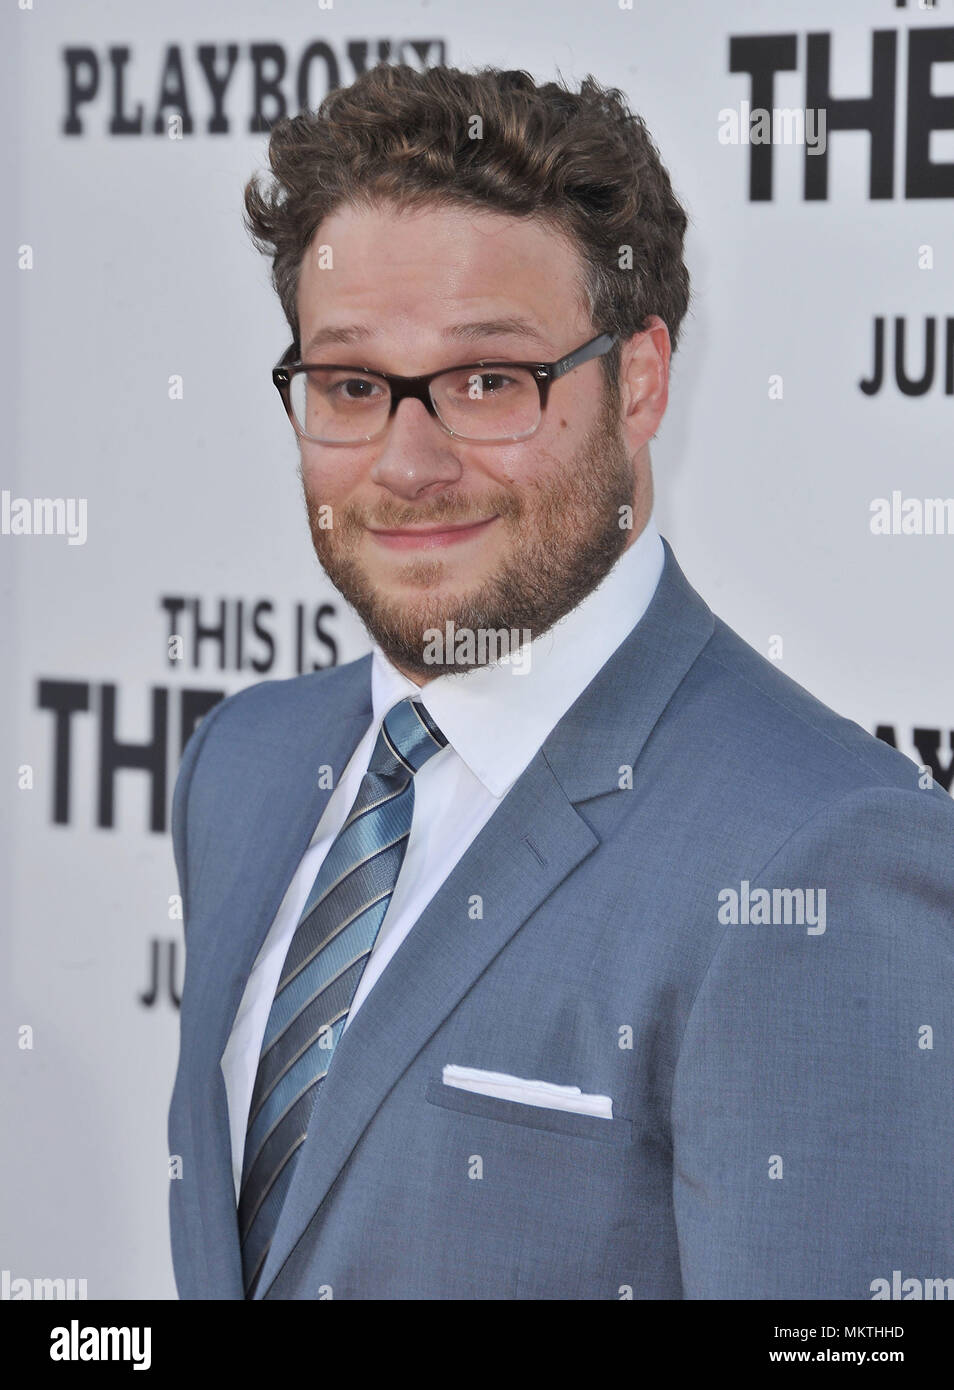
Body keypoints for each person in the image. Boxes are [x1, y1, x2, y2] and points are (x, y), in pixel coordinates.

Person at [167, 63, 954, 1301]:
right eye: (352, 385)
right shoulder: (244, 764)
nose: (409, 462)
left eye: (489, 380)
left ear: (637, 383)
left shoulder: (820, 854)